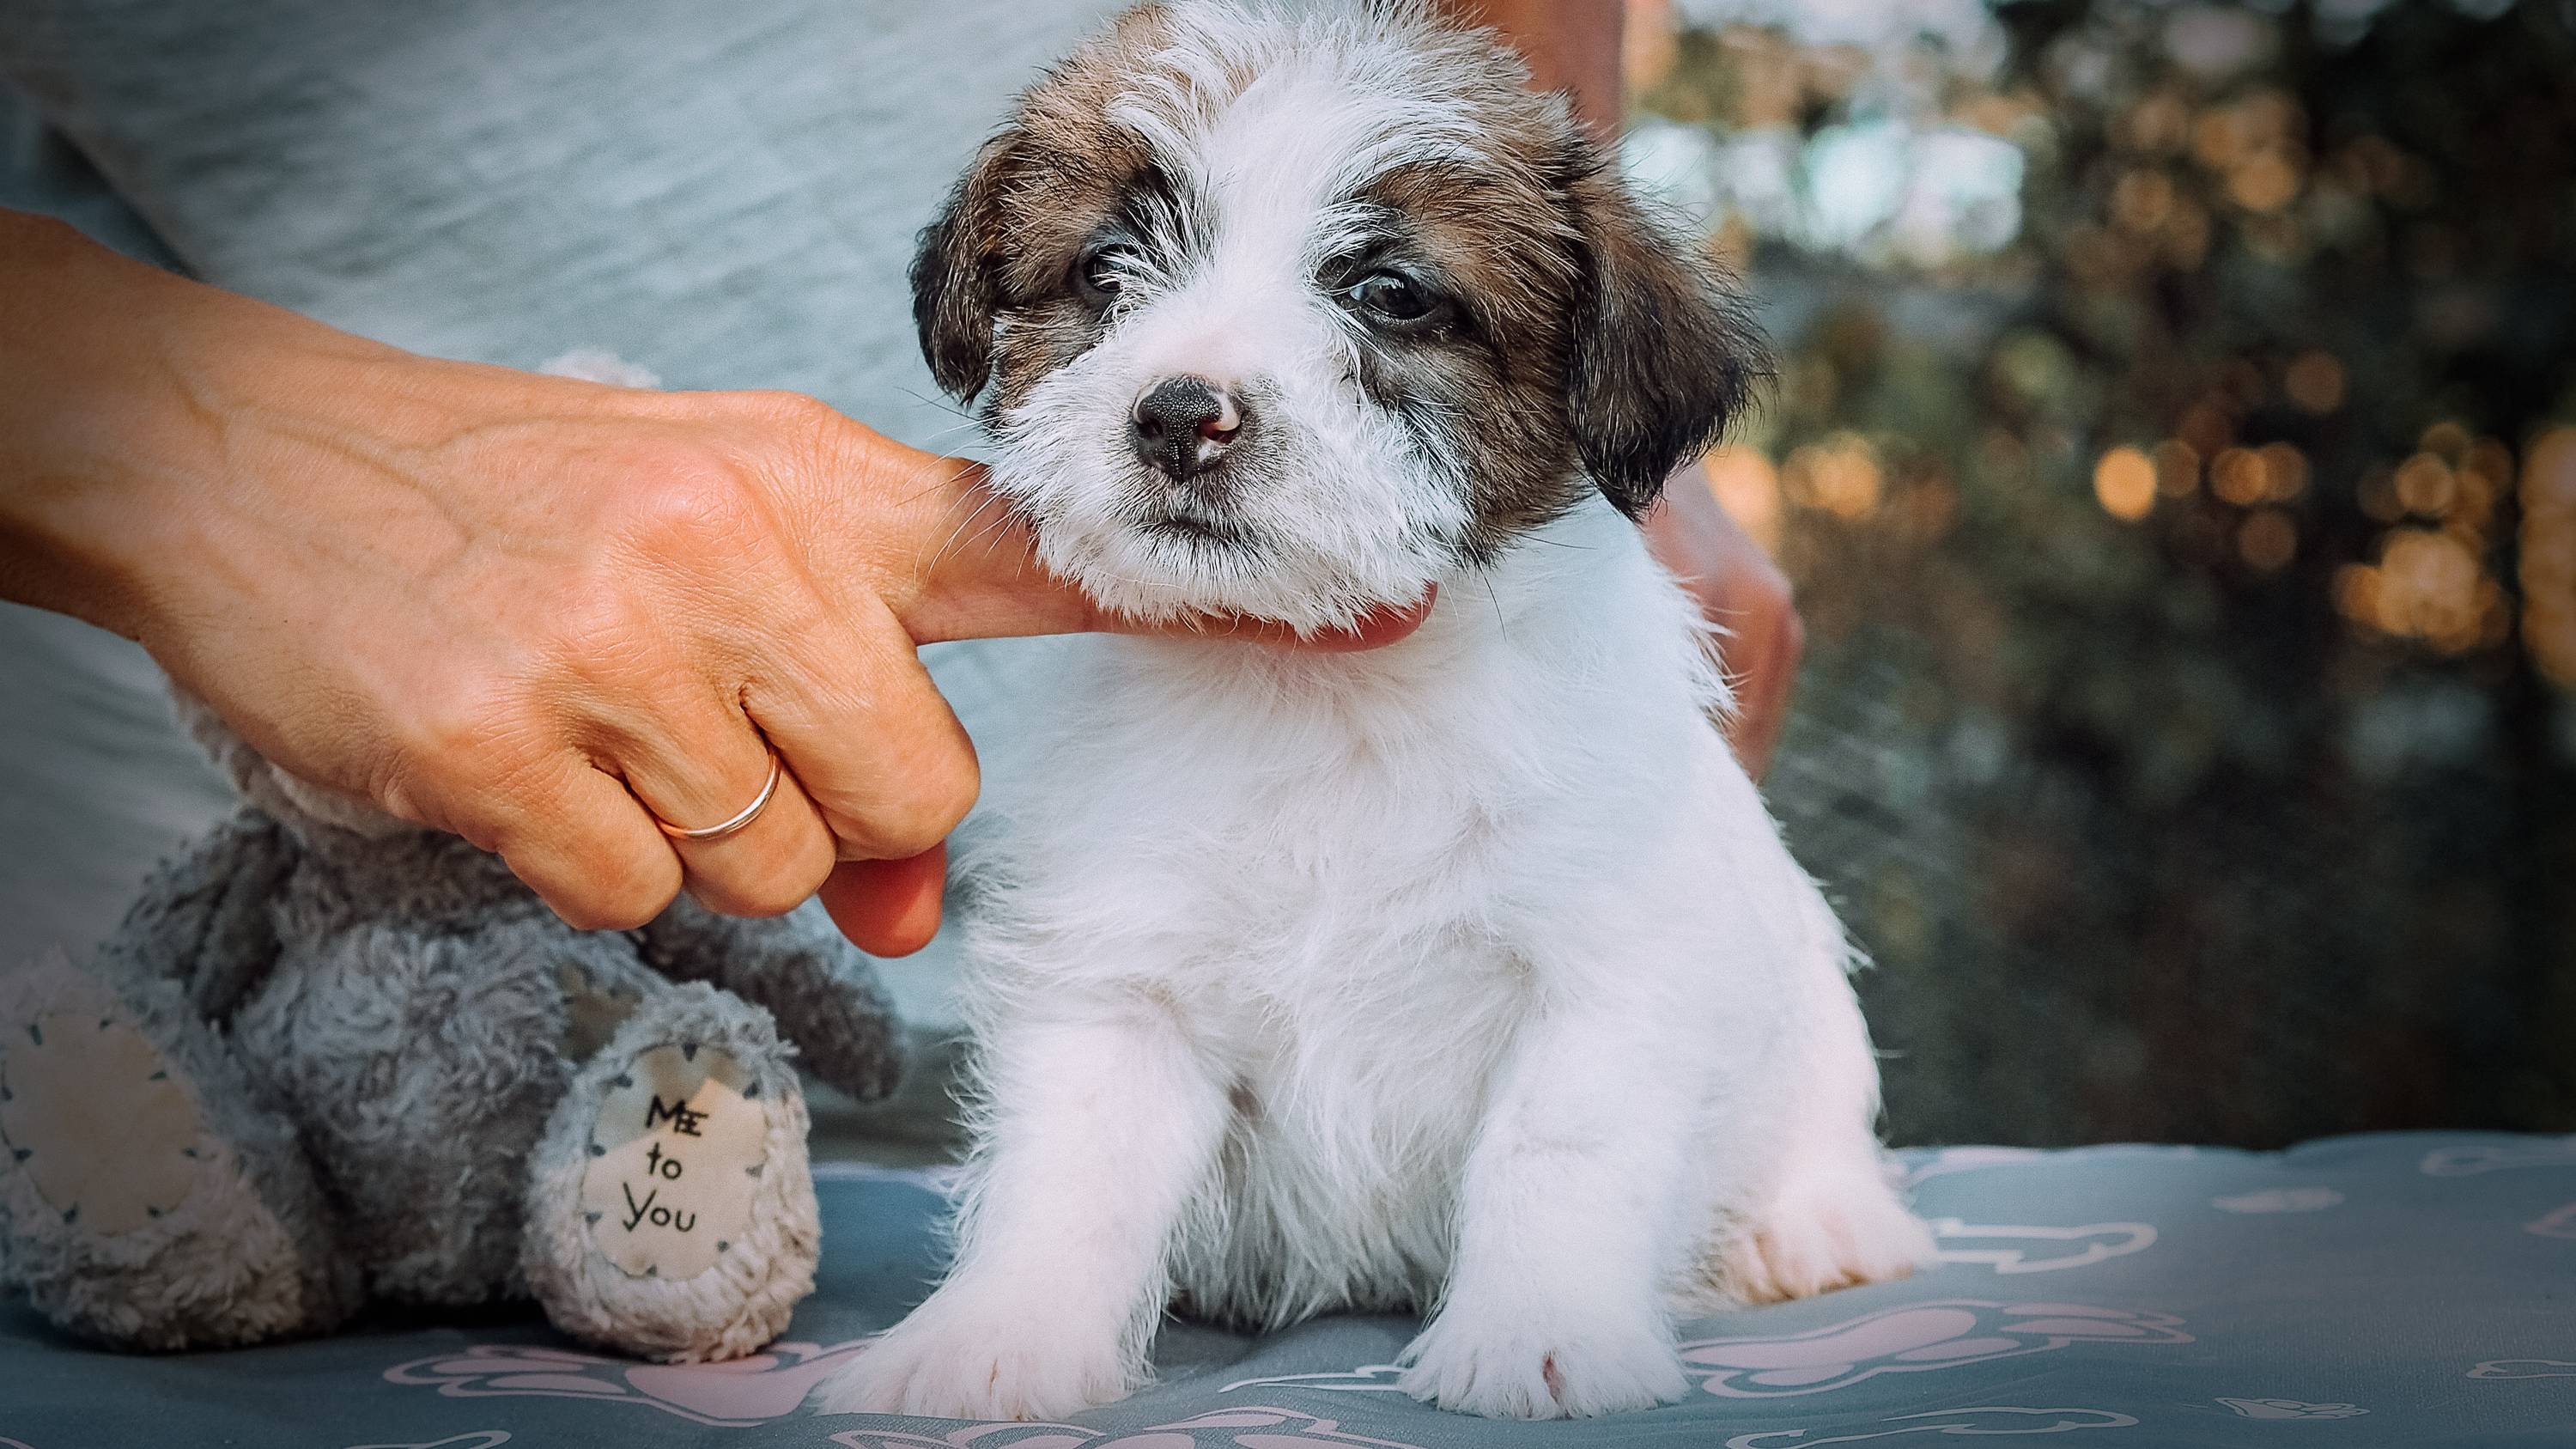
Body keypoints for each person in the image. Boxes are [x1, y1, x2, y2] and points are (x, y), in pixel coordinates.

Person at [0, 0, 1798, 960]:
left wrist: (1550, 360)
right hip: (230, 934)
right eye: (1105, 272)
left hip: (1220, 965)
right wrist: (191, 447)